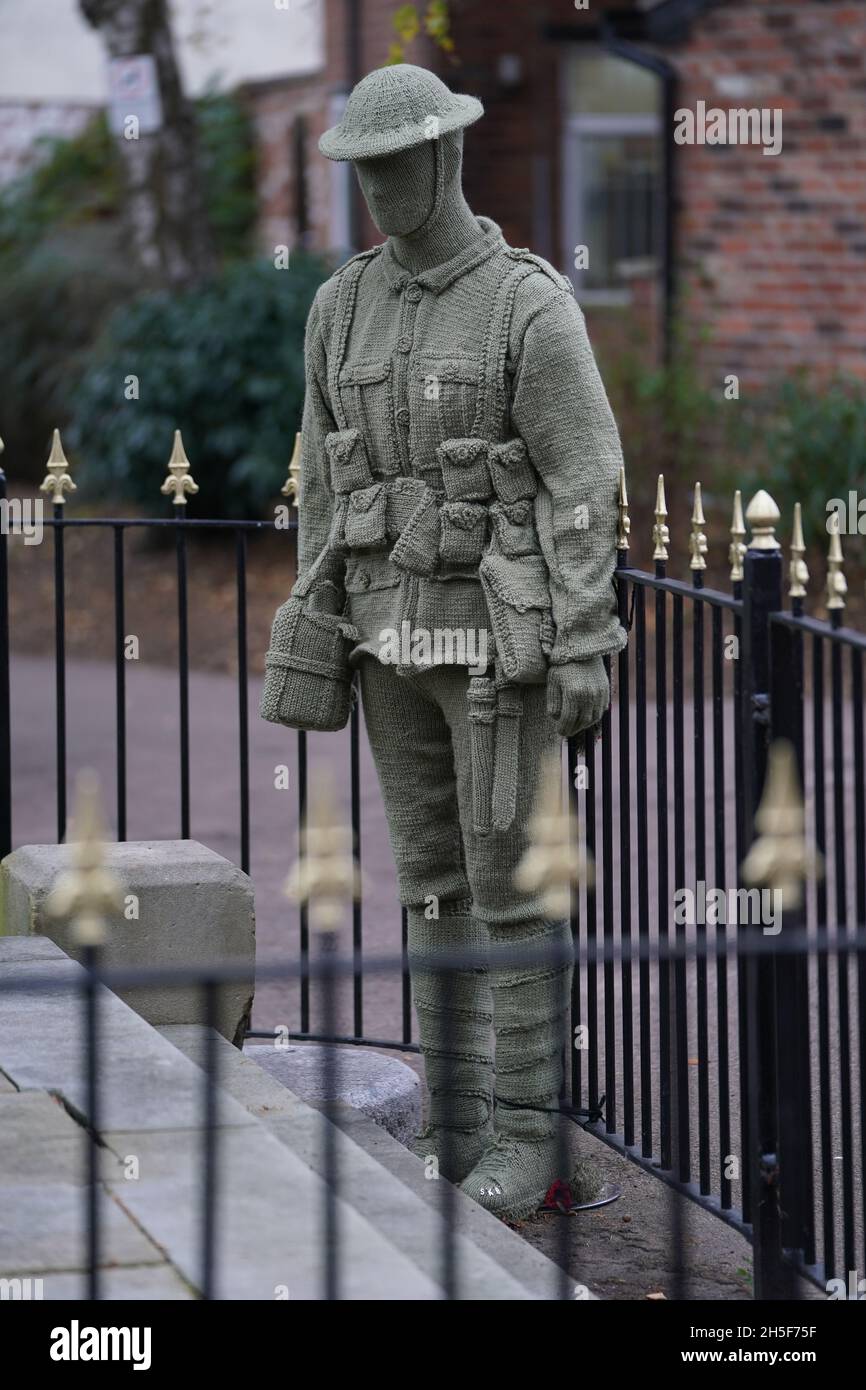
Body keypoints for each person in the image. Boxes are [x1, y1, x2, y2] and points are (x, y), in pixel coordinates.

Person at [262, 63, 627, 1220]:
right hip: (385, 644)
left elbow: (583, 478)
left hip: (493, 653)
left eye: (394, 163)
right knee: (428, 886)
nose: (375, 187)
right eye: (359, 168)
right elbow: (323, 480)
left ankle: (528, 1137)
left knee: (511, 888)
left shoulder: (526, 303)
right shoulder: (339, 307)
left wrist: (581, 638)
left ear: (446, 157)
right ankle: (454, 1118)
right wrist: (320, 615)